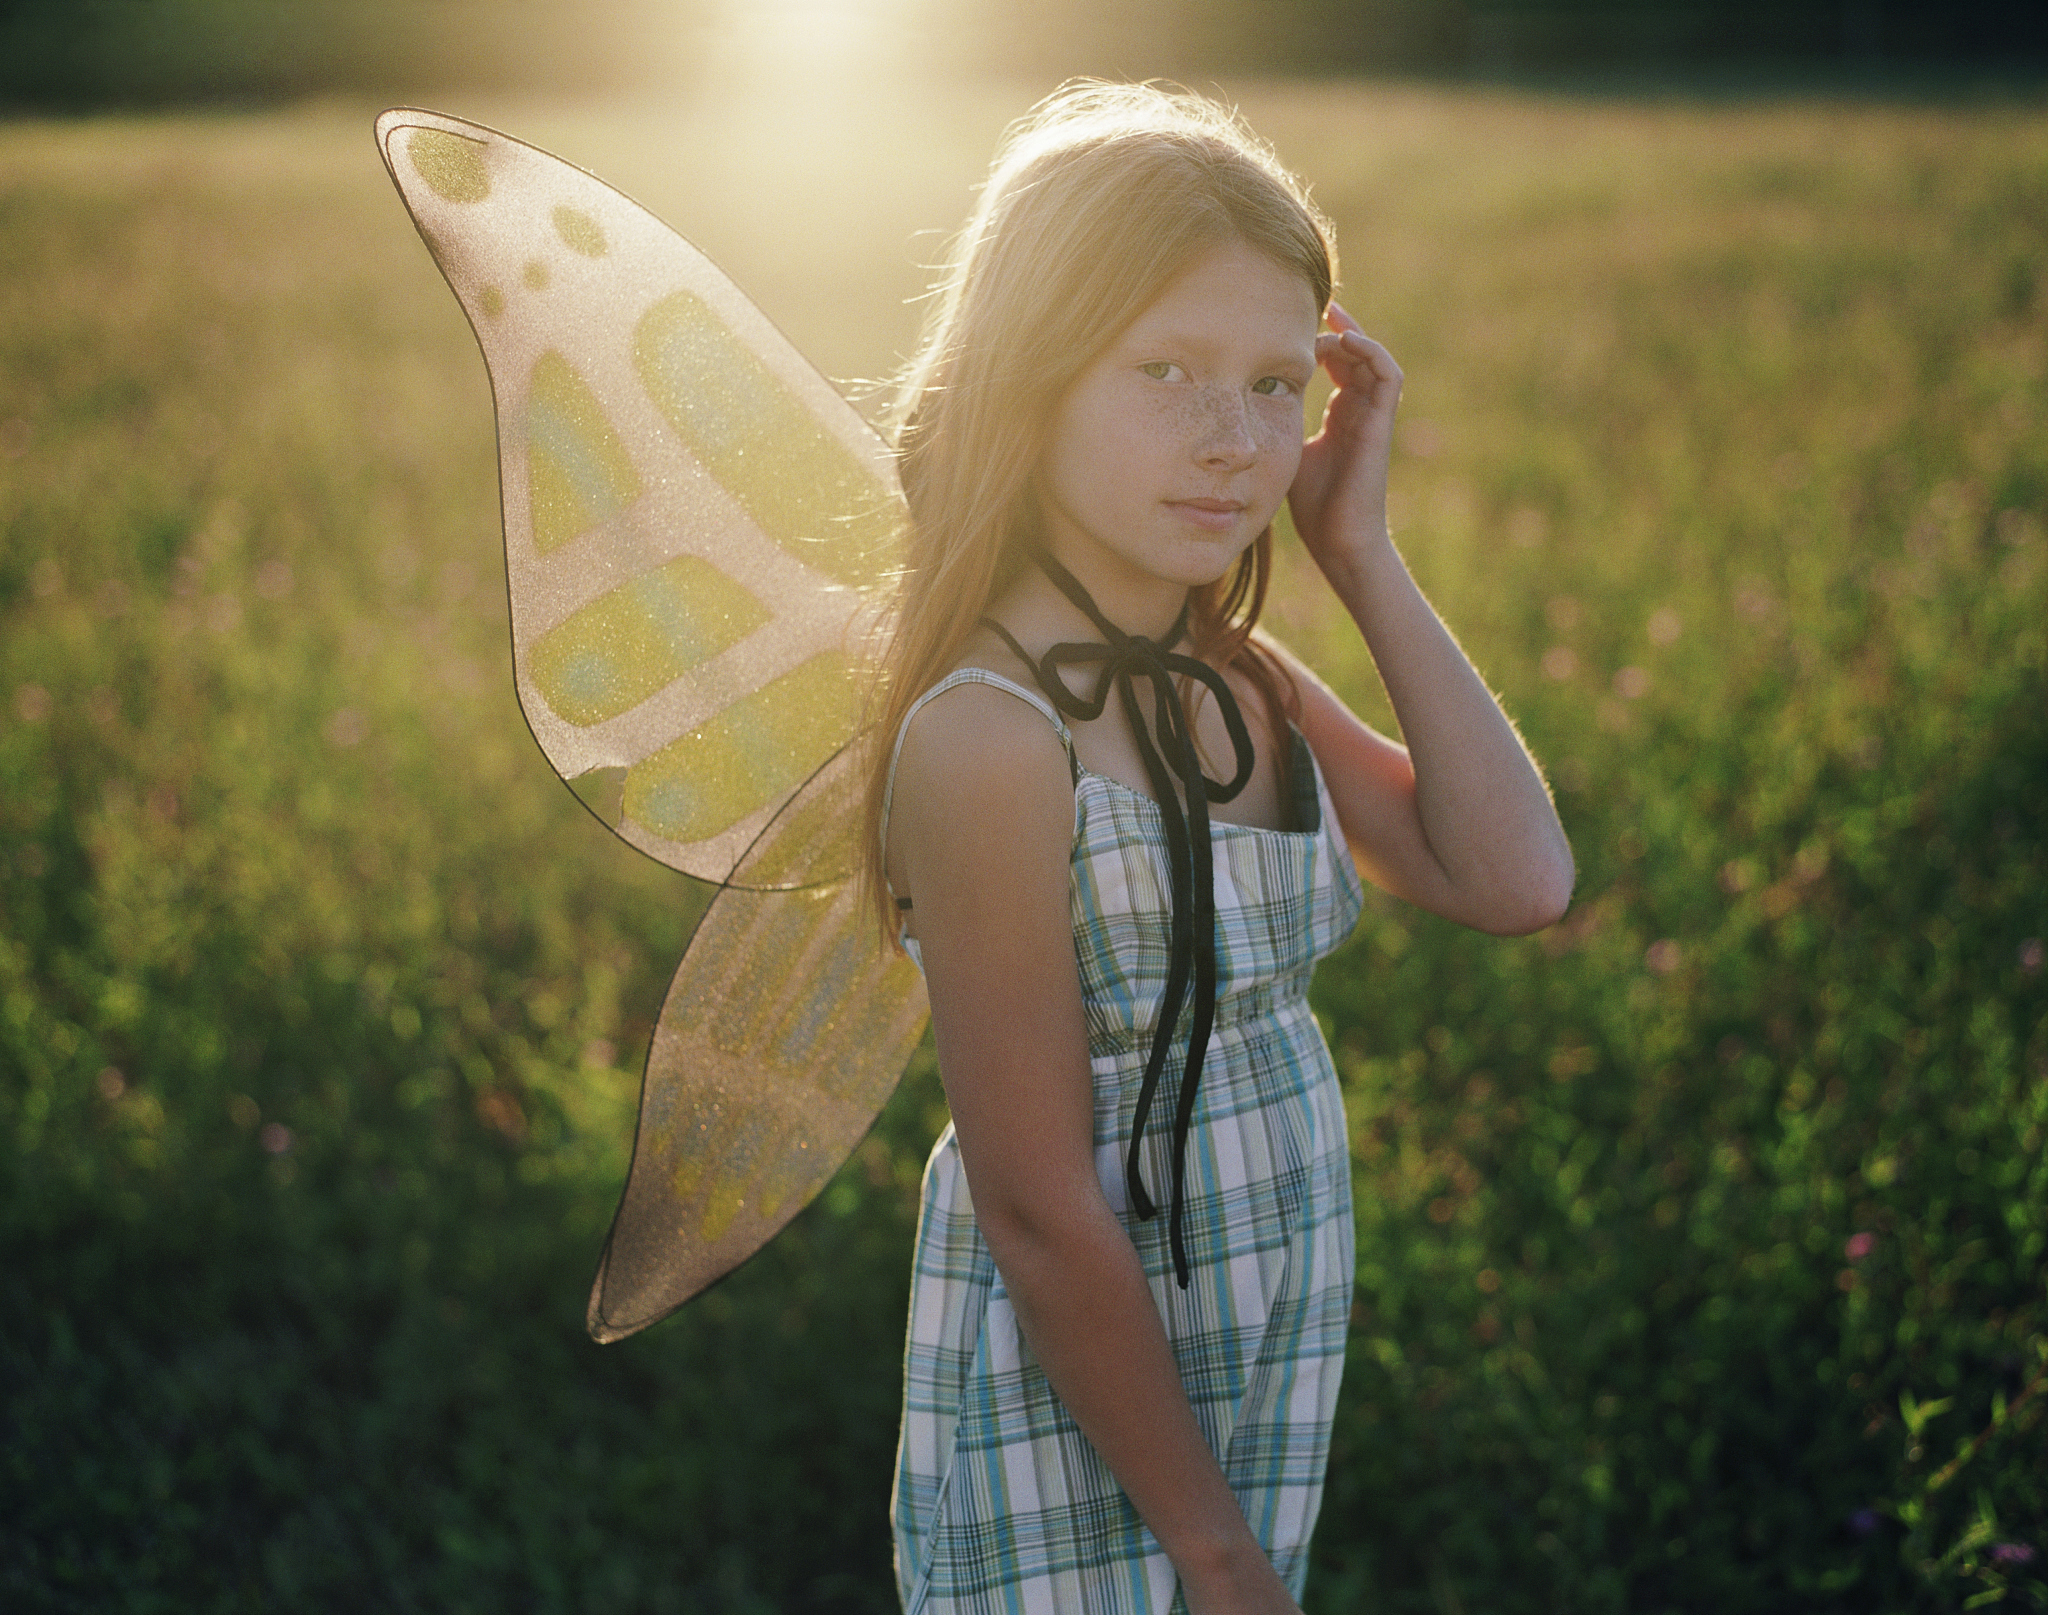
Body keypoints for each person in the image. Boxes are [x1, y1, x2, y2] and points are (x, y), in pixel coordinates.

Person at [862, 81, 1575, 1615]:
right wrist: (1214, 1547)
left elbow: (1516, 880)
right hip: (1082, 1398)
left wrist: (1359, 553)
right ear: (1030, 378)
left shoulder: (1238, 677)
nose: (1231, 441)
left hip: (1252, 1341)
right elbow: (1040, 1210)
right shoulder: (993, 739)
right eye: (1166, 371)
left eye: (1272, 385)